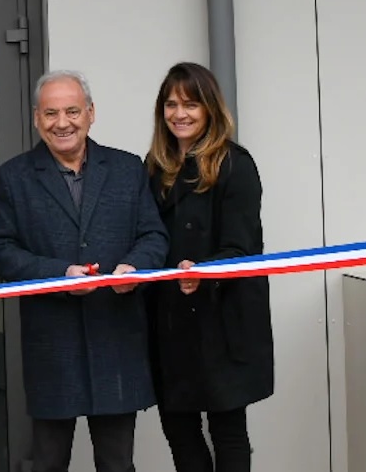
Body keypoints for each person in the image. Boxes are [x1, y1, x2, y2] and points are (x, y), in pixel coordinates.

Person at [0, 70, 168, 472]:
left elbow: (154, 234)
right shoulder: (12, 178)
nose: (62, 122)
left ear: (90, 113)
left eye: (72, 111)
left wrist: (134, 267)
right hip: (52, 342)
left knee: (117, 464)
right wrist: (57, 274)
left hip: (115, 335)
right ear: (36, 118)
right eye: (51, 113)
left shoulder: (127, 168)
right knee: (49, 462)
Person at [142, 63, 273, 472]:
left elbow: (242, 246)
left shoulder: (235, 163)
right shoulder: (155, 165)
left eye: (190, 104)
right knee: (178, 431)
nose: (179, 114)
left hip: (222, 321)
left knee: (227, 431)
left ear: (210, 108)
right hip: (168, 321)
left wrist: (204, 272)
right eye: (171, 104)